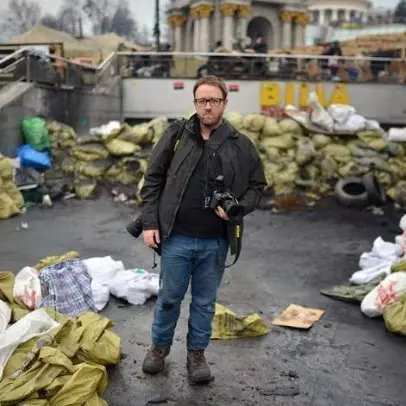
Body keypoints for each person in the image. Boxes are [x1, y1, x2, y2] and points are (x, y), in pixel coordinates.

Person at [140, 75, 266, 383]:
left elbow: (257, 186)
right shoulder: (176, 135)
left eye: (214, 100)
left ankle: (196, 355)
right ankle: (159, 348)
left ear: (225, 103)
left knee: (204, 303)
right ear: (195, 102)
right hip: (176, 237)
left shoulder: (240, 145)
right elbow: (152, 179)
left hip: (215, 242)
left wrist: (239, 206)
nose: (207, 106)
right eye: (202, 100)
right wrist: (149, 224)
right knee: (169, 297)